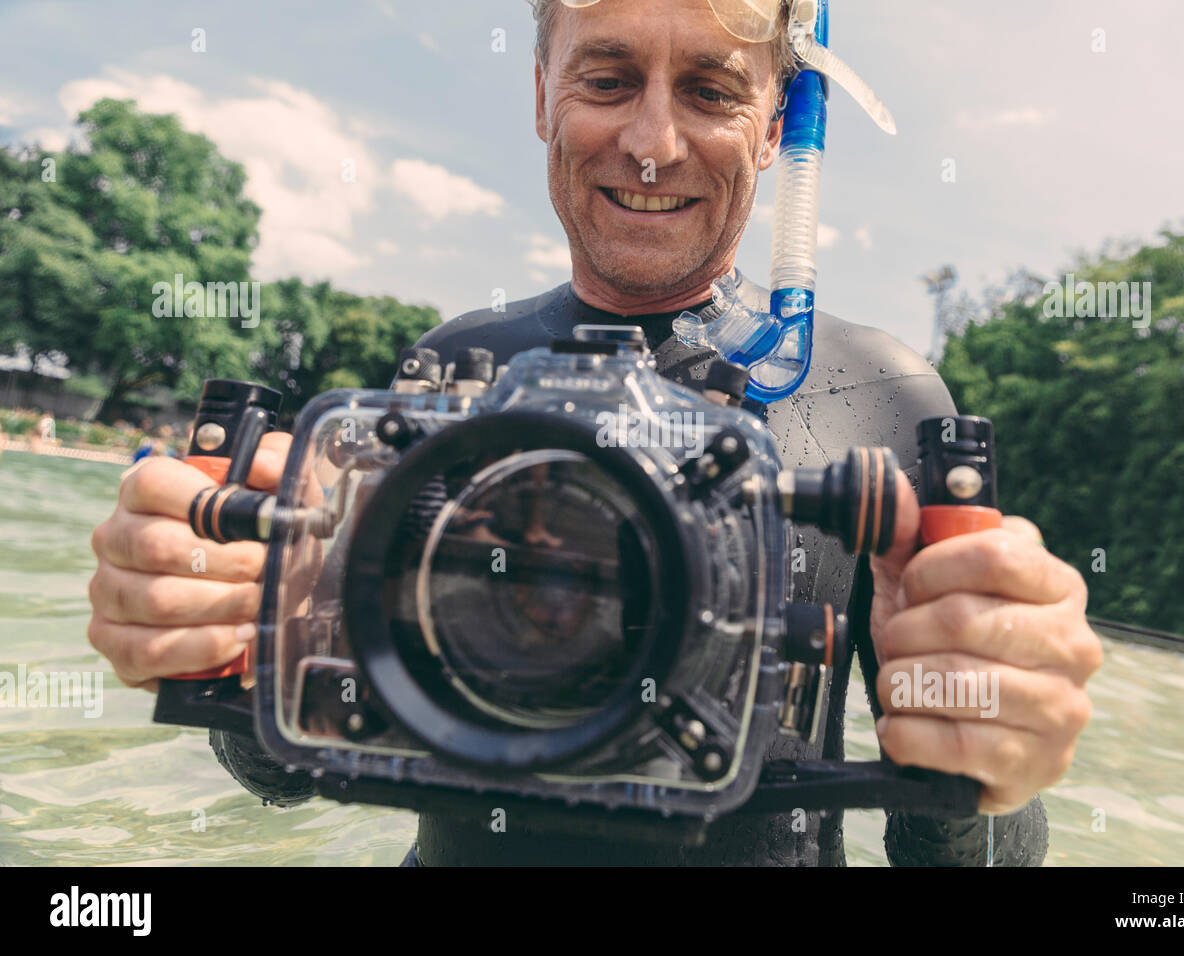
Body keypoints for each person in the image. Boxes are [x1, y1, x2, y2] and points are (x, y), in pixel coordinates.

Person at [87, 0, 1101, 866]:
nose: (653, 143)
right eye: (608, 80)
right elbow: (284, 767)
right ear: (542, 93)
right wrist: (226, 642)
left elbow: (965, 858)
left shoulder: (884, 397)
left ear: (775, 124)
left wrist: (981, 753)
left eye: (710, 90)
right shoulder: (448, 371)